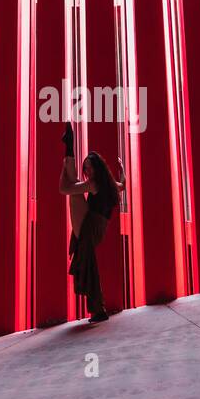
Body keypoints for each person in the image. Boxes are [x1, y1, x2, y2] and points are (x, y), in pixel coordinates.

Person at [59, 122, 125, 322]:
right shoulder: (108, 183)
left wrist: (64, 168)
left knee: (73, 192)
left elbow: (63, 189)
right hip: (99, 227)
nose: (87, 171)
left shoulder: (94, 184)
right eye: (85, 168)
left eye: (88, 167)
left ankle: (69, 148)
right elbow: (122, 185)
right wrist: (122, 171)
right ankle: (98, 309)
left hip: (90, 225)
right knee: (89, 264)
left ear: (96, 168)